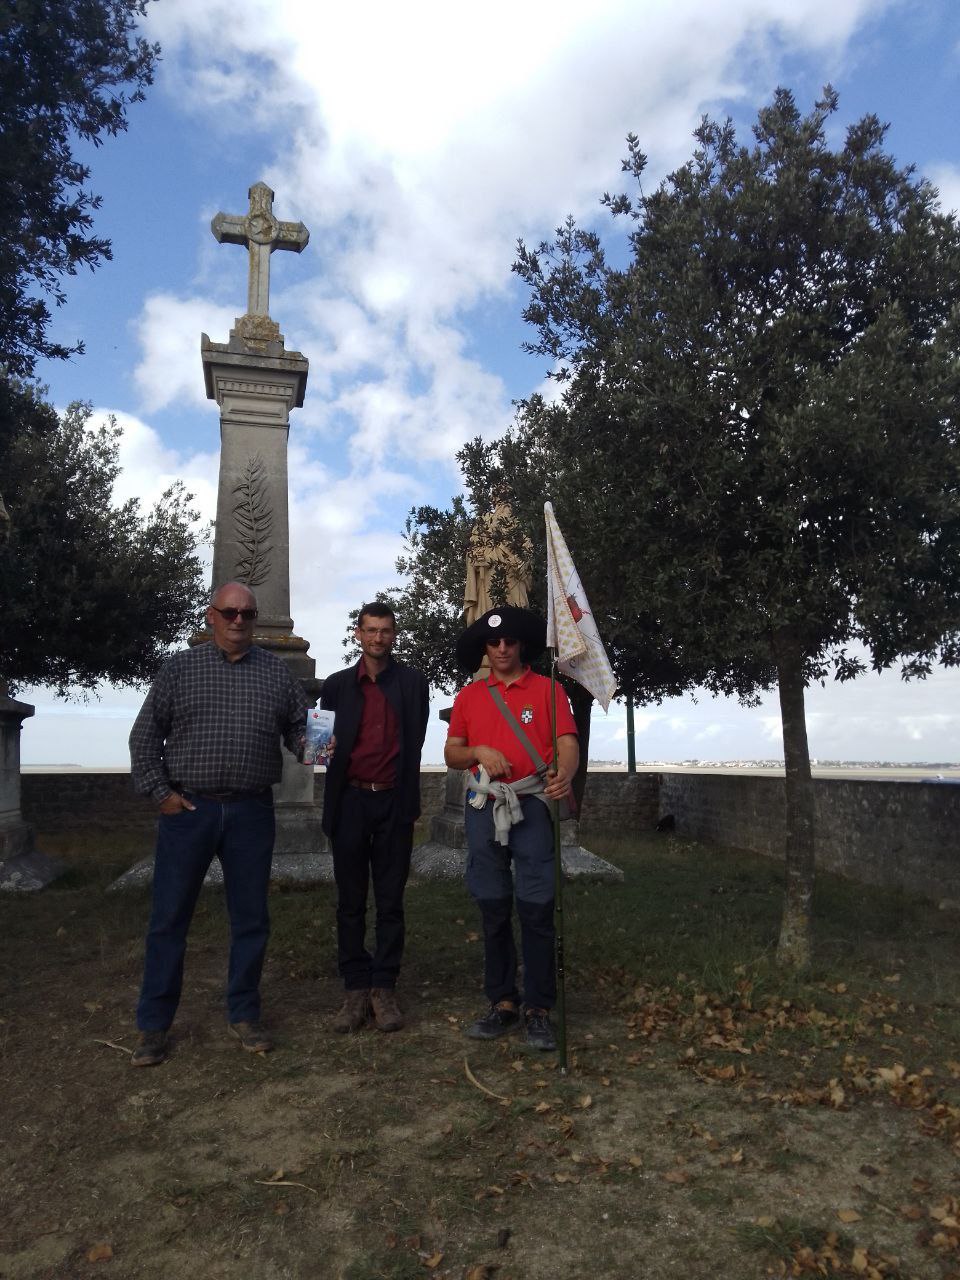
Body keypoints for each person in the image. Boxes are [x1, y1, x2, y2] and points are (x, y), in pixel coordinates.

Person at [128, 582, 308, 1067]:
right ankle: (153, 1026)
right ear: (211, 616)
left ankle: (245, 1013)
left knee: (251, 919)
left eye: (247, 614)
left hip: (251, 811)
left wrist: (313, 745)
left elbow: (298, 730)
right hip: (191, 811)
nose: (238, 621)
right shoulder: (180, 669)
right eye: (229, 612)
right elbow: (144, 737)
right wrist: (160, 793)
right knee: (169, 920)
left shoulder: (275, 672)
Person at [444, 606, 578, 1051]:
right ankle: (502, 1000)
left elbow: (566, 742)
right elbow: (452, 753)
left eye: (510, 642)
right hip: (485, 805)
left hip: (533, 803)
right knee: (492, 901)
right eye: (494, 642)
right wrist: (479, 750)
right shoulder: (469, 697)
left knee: (538, 903)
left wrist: (565, 772)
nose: (502, 648)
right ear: (485, 648)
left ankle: (539, 1007)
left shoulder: (549, 691)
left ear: (521, 645)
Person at [320, 602, 430, 1033]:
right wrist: (320, 750)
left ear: (394, 635)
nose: (378, 638)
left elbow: (414, 741)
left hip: (393, 803)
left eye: (385, 631)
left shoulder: (413, 683)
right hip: (349, 802)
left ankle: (383, 986)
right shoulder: (336, 686)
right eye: (370, 630)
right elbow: (320, 743)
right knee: (350, 901)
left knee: (390, 900)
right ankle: (354, 988)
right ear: (358, 634)